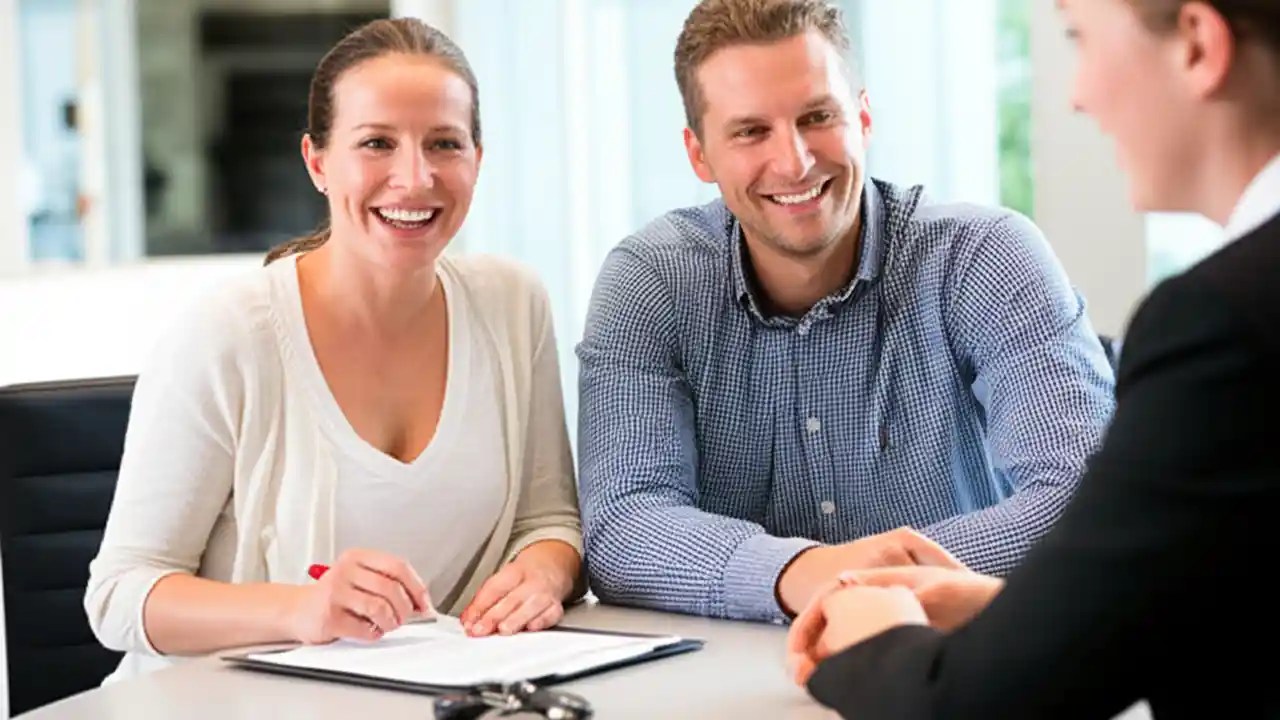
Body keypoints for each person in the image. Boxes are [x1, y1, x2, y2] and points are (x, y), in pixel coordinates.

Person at [787, 0, 1280, 716]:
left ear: (1199, 45)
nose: (1077, 96)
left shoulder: (1221, 326)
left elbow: (969, 707)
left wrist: (875, 635)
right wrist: (1016, 611)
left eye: (1082, 40)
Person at [575, 0, 1116, 623]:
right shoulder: (651, 282)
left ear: (861, 116)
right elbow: (625, 525)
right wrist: (803, 575)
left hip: (958, 660)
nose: (796, 161)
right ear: (699, 154)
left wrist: (859, 585)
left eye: (817, 116)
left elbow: (1084, 497)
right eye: (751, 131)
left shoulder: (984, 257)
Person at [84, 18, 583, 683]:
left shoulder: (513, 304)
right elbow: (118, 597)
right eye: (376, 143)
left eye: (444, 144)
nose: (415, 177)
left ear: (477, 160)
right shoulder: (229, 332)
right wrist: (302, 610)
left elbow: (547, 519)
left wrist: (543, 572)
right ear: (318, 162)